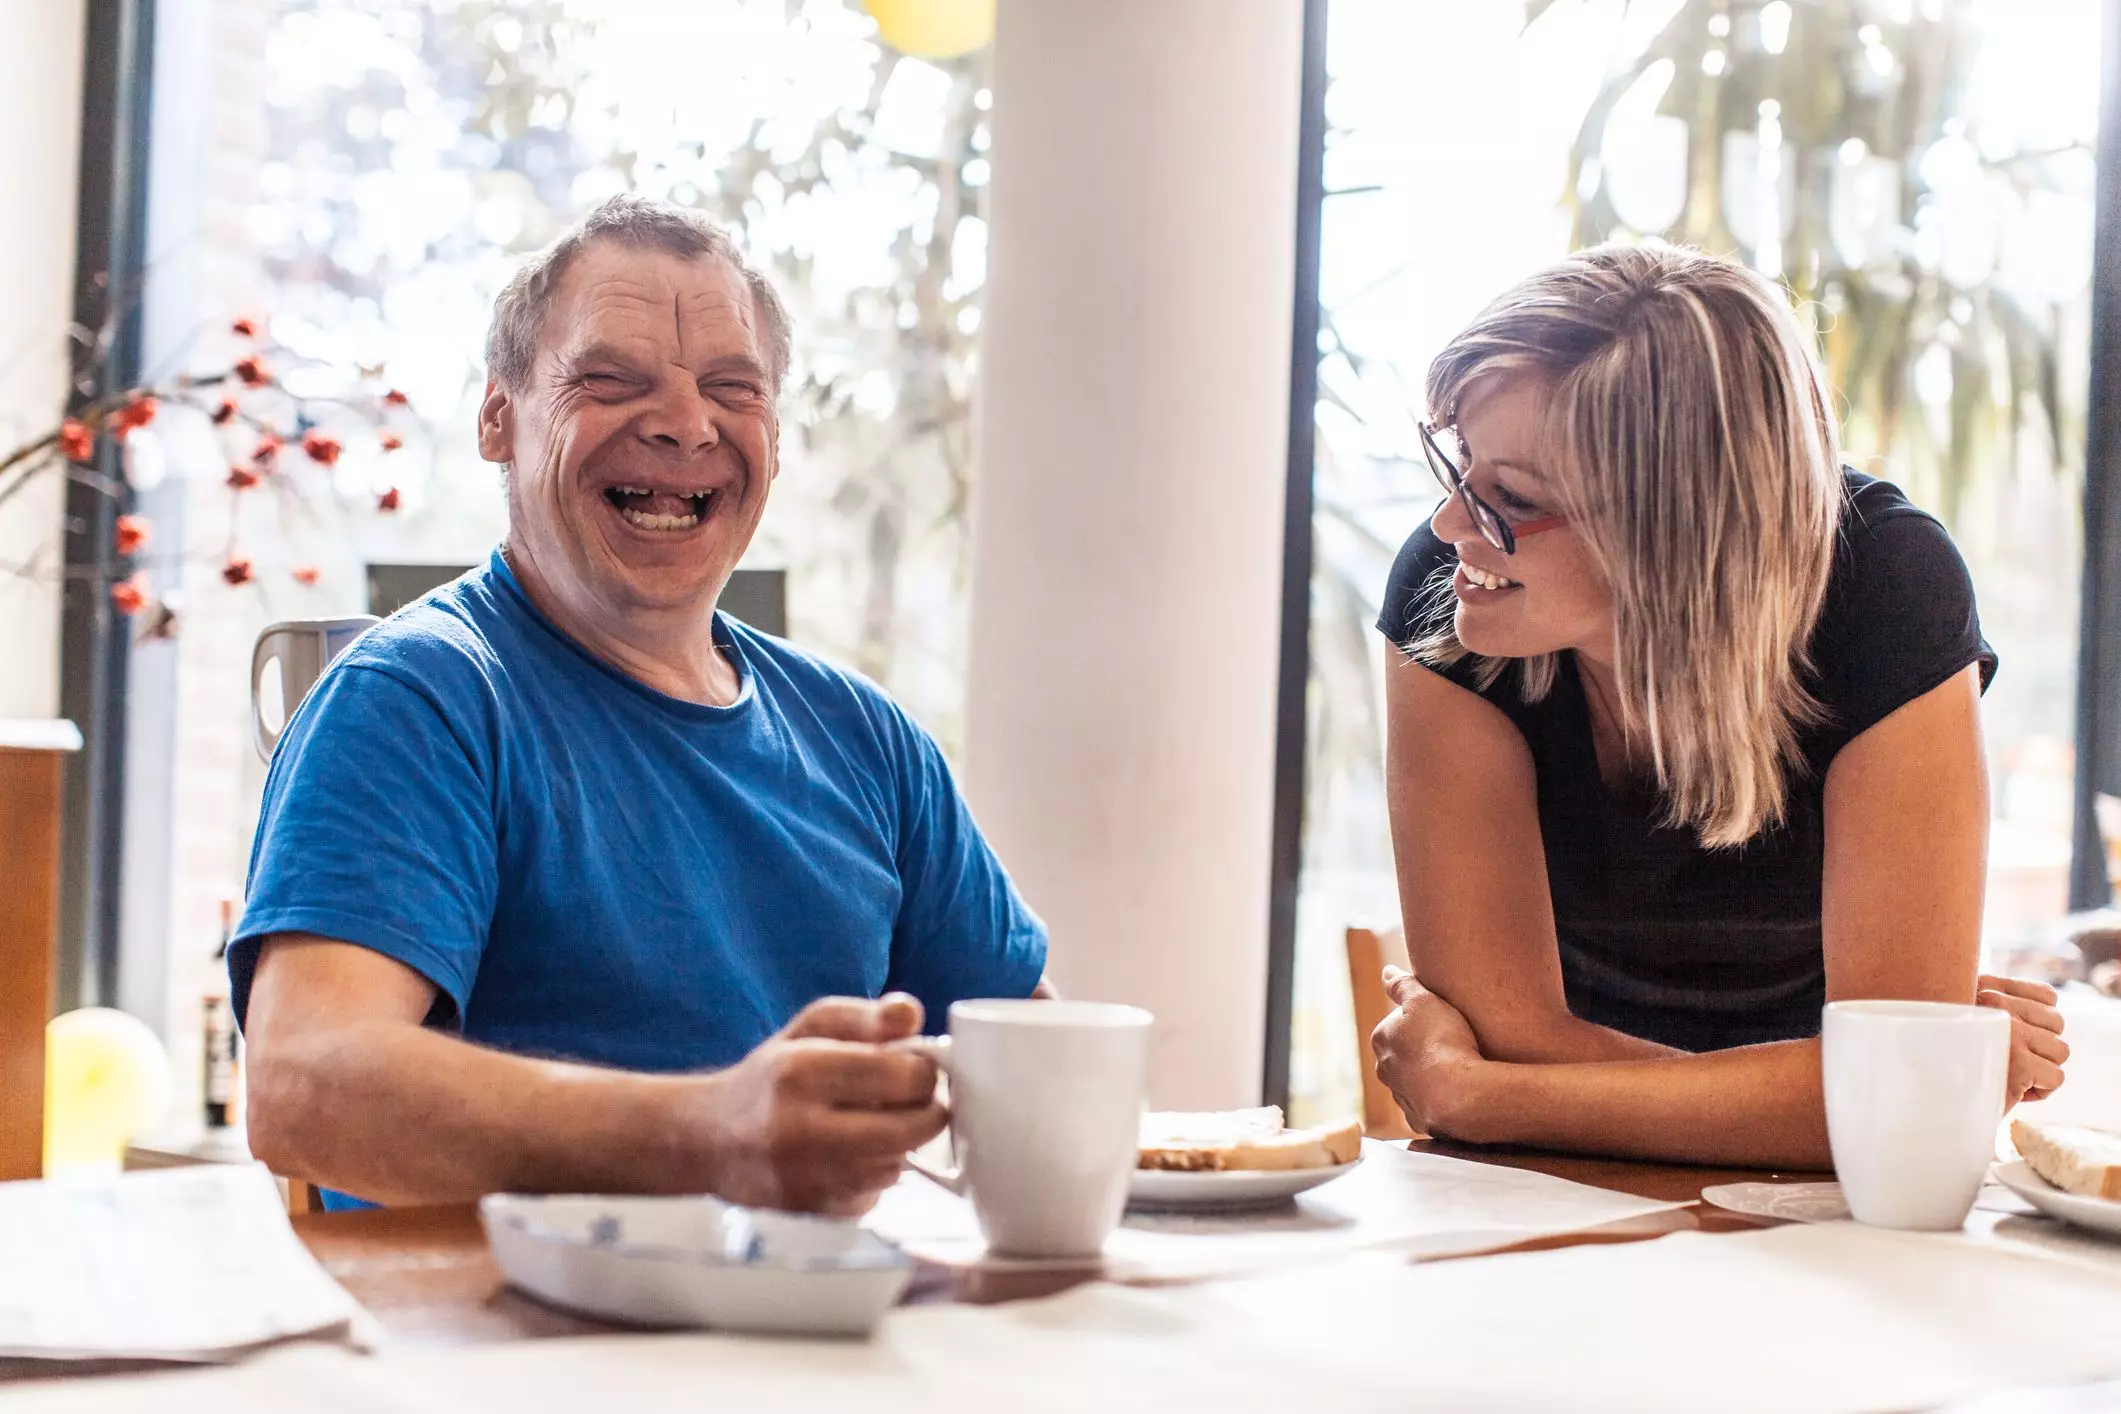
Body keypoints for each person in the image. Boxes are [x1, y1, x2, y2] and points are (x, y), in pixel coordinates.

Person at [234, 196, 1047, 1214]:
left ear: (776, 438)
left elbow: (1041, 1056)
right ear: (499, 418)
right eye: (610, 381)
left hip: (814, 1333)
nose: (683, 422)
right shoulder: (418, 700)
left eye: (732, 388)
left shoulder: (868, 741)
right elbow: (305, 1085)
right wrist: (708, 1135)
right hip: (503, 1353)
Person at [1369, 244, 2067, 1169]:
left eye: (1512, 497)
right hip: (1550, 1180)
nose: (1452, 523)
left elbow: (1896, 1108)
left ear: (1671, 526)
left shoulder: (1884, 589)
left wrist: (1487, 1096)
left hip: (1806, 1221)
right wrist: (1840, 1094)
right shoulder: (1454, 595)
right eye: (1457, 462)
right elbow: (1892, 1098)